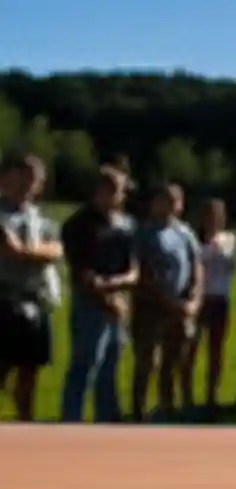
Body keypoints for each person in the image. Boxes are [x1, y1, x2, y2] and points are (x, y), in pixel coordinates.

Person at [60, 165, 138, 422]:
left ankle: (108, 419)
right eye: (116, 190)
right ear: (101, 190)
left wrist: (119, 288)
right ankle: (72, 419)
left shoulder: (127, 224)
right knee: (85, 362)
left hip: (119, 299)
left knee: (111, 365)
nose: (121, 196)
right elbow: (82, 271)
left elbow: (133, 268)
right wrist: (105, 296)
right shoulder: (79, 224)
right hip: (90, 302)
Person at [131, 184, 202, 422]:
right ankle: (138, 410)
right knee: (147, 360)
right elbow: (143, 271)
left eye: (174, 201)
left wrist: (193, 300)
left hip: (181, 306)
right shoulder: (144, 233)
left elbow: (197, 268)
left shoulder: (186, 233)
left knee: (174, 359)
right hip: (151, 306)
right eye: (164, 200)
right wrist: (167, 300)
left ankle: (168, 408)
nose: (169, 205)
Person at [0, 154, 62, 421]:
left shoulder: (42, 220)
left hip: (34, 298)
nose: (28, 184)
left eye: (34, 179)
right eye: (22, 176)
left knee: (30, 367)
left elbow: (54, 251)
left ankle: (26, 422)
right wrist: (33, 253)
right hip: (3, 296)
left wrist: (25, 251)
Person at [181, 198, 236, 410]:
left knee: (216, 350)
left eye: (218, 215)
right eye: (210, 215)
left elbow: (230, 265)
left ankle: (212, 395)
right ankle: (187, 397)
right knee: (191, 348)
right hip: (199, 299)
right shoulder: (193, 239)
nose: (214, 220)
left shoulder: (230, 239)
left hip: (220, 298)